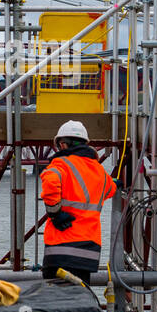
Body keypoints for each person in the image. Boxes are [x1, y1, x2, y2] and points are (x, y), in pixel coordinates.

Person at [39, 120, 116, 282]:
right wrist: (116, 183)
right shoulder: (99, 170)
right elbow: (110, 189)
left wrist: (55, 214)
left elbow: (50, 180)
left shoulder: (61, 164)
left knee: (55, 302)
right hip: (88, 253)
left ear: (63, 145)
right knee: (81, 299)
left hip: (61, 249)